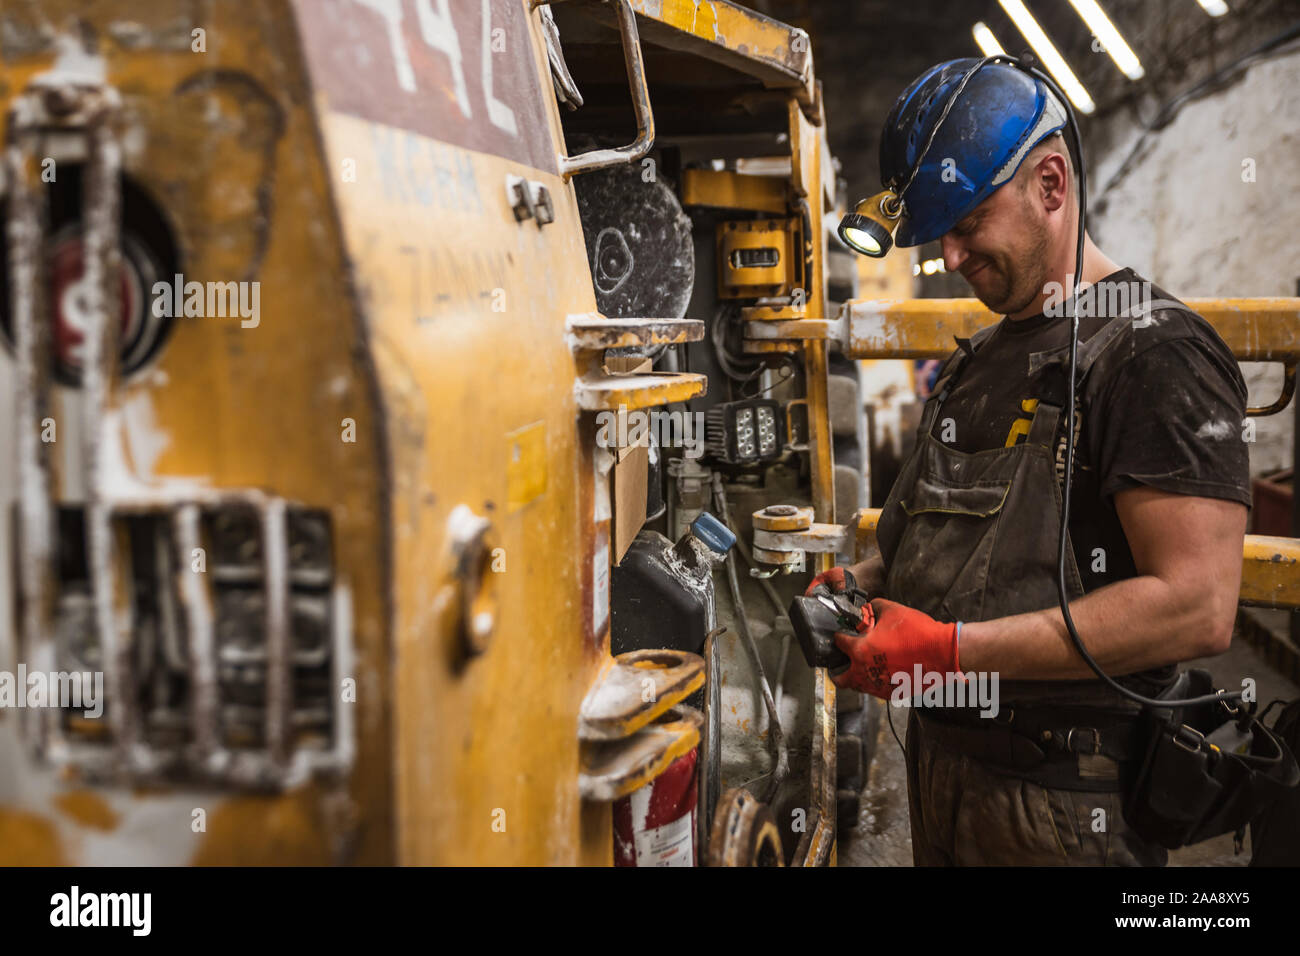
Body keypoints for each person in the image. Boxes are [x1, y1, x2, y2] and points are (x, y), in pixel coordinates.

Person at [817, 59, 1251, 865]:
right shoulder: (978, 359)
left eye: (968, 222)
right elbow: (943, 546)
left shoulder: (1154, 353)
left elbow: (1196, 605)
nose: (950, 257)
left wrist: (950, 655)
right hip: (943, 771)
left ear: (1051, 183)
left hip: (1065, 803)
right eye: (938, 234)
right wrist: (861, 588)